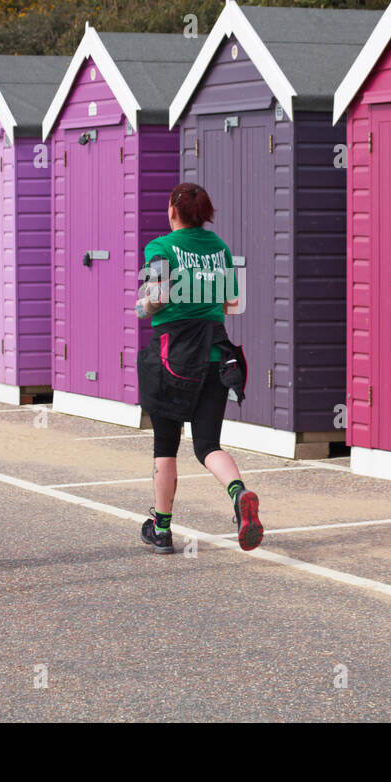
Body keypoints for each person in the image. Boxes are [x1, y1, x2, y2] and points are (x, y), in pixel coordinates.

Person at [135, 182, 263, 554]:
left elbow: (155, 298)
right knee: (207, 444)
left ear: (173, 210)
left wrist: (141, 306)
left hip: (172, 356)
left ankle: (161, 530)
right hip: (215, 354)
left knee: (166, 445)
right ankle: (239, 494)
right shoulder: (219, 248)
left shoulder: (160, 247)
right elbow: (232, 303)